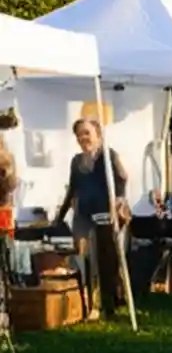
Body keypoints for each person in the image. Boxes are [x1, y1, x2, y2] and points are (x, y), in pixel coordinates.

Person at [54, 119, 127, 320]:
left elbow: (121, 178)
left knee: (106, 259)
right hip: (83, 215)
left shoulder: (107, 156)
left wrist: (118, 202)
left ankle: (109, 304)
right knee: (84, 258)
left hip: (104, 214)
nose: (83, 138)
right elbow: (73, 188)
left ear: (97, 135)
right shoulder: (77, 161)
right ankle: (89, 304)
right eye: (79, 134)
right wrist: (60, 216)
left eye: (87, 133)